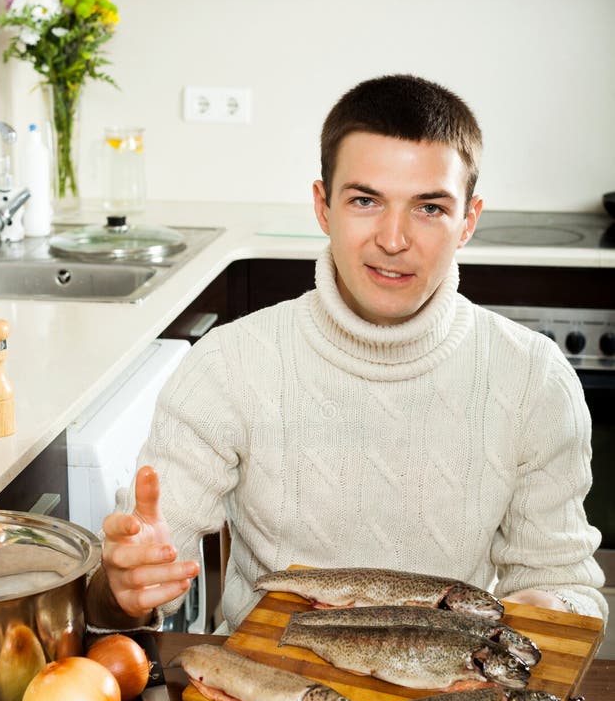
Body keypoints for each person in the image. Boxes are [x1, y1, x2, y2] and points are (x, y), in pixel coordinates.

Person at [85, 73, 607, 634]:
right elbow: (121, 596)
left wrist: (551, 611)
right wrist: (124, 587)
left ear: (468, 222)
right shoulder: (229, 364)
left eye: (429, 208)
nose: (392, 238)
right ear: (322, 207)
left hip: (449, 698)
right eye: (365, 200)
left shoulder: (534, 378)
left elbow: (563, 583)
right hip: (264, 692)